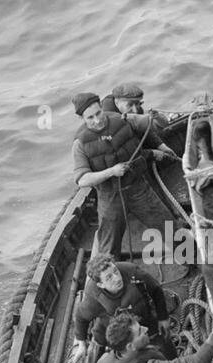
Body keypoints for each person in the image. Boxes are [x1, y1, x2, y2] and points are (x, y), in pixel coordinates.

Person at [71, 93, 177, 256]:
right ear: (80, 118)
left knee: (170, 228)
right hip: (109, 198)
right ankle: (108, 279)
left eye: (98, 113)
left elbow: (150, 124)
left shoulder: (123, 119)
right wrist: (111, 172)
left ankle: (195, 261)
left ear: (101, 106)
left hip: (138, 189)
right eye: (90, 118)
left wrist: (160, 145)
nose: (97, 120)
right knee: (108, 249)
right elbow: (82, 180)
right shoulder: (79, 144)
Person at [73, 255, 174, 363]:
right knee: (92, 357)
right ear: (100, 284)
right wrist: (81, 343)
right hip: (109, 329)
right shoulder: (94, 299)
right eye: (109, 277)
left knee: (166, 347)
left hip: (142, 320)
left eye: (115, 271)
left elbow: (155, 289)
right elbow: (80, 317)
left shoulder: (133, 273)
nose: (116, 277)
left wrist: (163, 317)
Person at [99, 80, 174, 134]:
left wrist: (158, 117)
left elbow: (155, 127)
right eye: (130, 105)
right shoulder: (105, 120)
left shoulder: (138, 110)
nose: (135, 111)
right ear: (117, 102)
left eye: (137, 104)